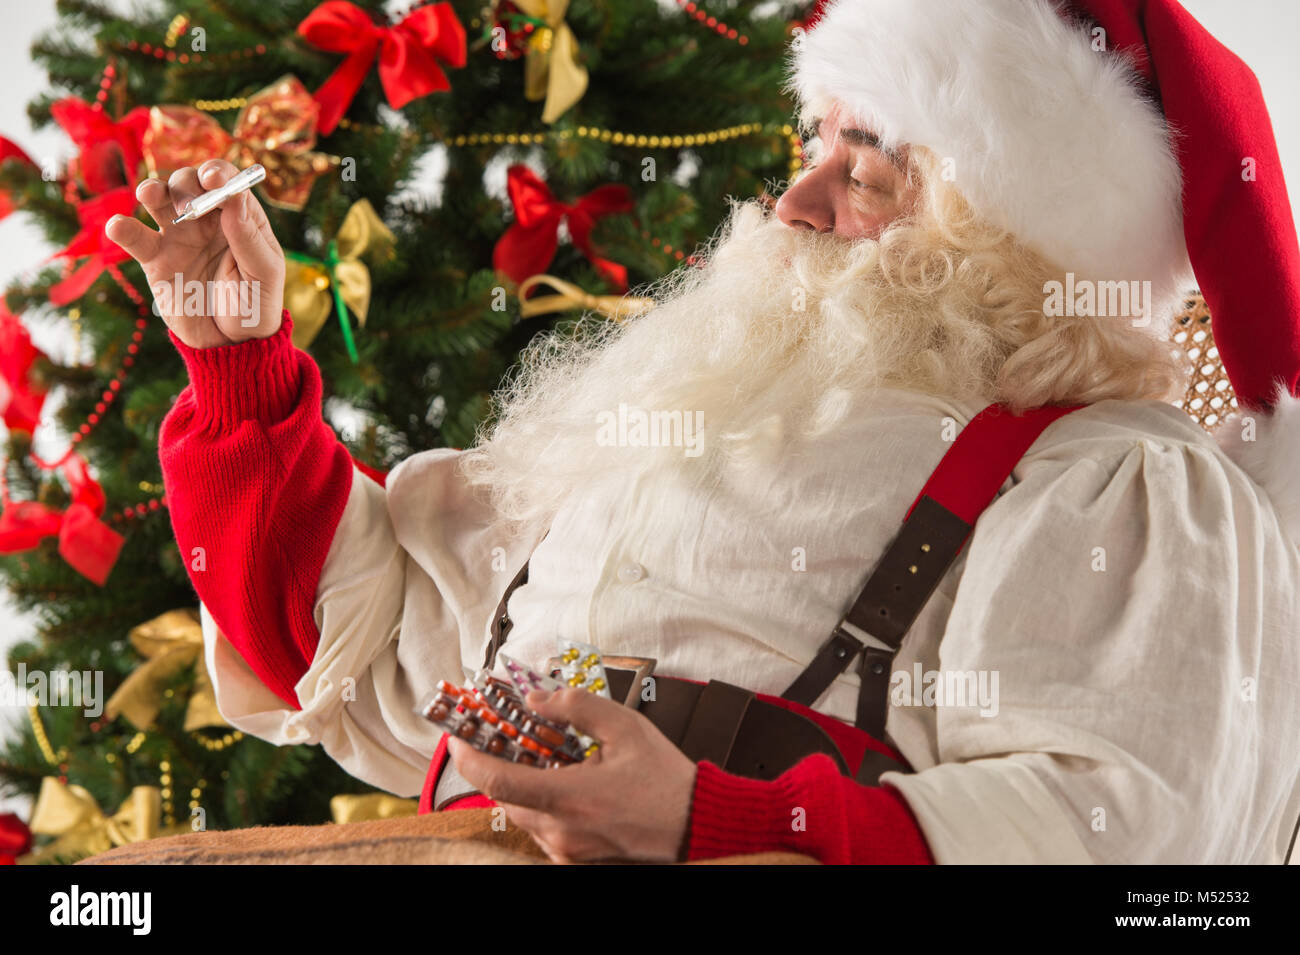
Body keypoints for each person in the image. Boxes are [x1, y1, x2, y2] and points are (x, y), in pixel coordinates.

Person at [105, 0, 1300, 864]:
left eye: (869, 174)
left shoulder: (1109, 480)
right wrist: (237, 354)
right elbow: (345, 656)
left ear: (1008, 239)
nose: (792, 203)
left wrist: (717, 820)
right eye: (810, 148)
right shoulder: (671, 437)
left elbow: (1133, 835)